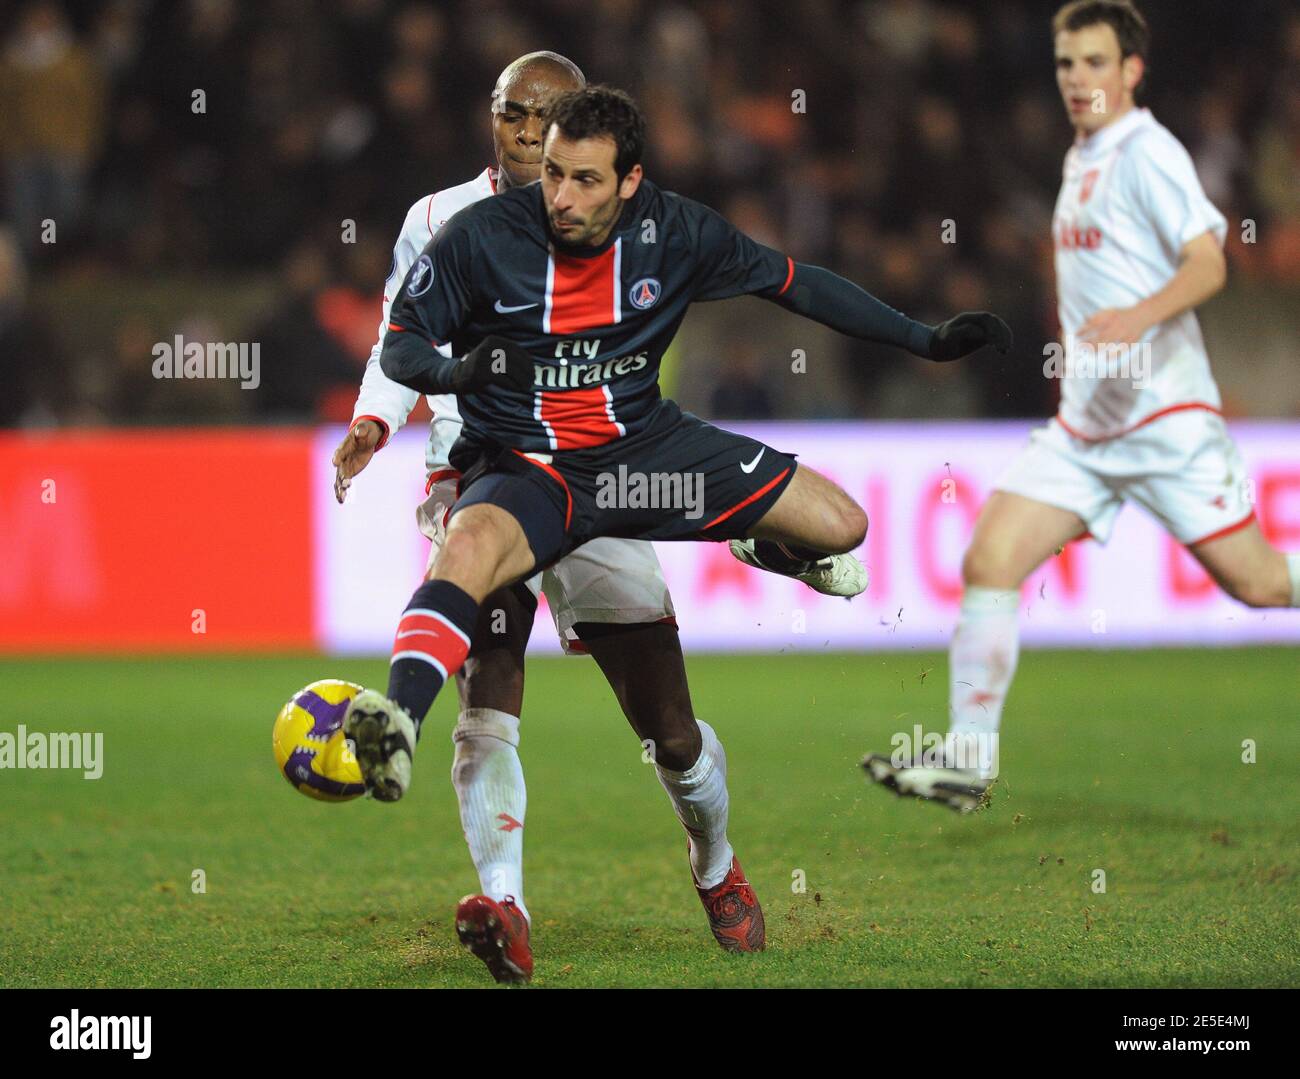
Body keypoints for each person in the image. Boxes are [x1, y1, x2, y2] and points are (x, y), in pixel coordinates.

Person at [344, 84, 1008, 963]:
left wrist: (919, 341)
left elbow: (796, 286)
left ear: (630, 182)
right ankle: (404, 732)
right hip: (523, 470)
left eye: (583, 179)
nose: (561, 197)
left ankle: (716, 860)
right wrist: (459, 371)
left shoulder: (677, 231)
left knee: (823, 547)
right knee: (473, 583)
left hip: (641, 457)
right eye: (551, 175)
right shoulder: (469, 231)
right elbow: (400, 344)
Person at [864, 0, 1300, 812]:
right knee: (990, 559)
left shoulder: (1146, 151)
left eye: (1095, 62)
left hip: (1164, 423)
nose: (1077, 79)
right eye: (1067, 63)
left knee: (1264, 584)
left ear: (1132, 70)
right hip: (1086, 429)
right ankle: (968, 759)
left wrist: (1136, 316)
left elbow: (1209, 265)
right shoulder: (1083, 156)